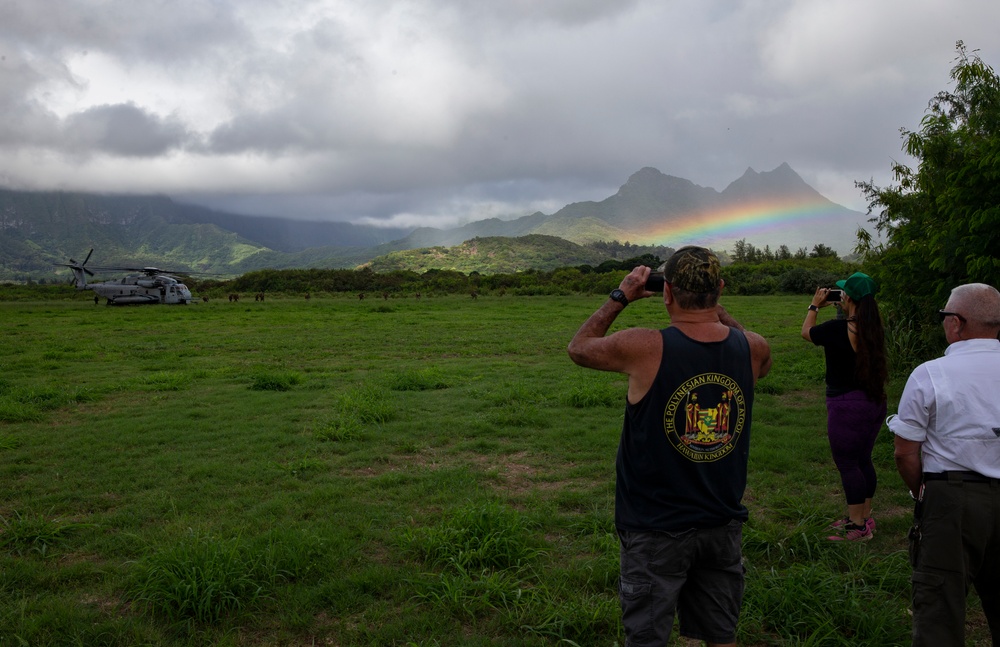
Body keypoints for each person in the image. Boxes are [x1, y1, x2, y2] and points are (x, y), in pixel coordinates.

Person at [567, 246, 771, 647]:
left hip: (655, 525)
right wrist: (717, 310)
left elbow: (579, 347)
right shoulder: (753, 347)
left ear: (667, 293)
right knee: (721, 635)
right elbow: (748, 348)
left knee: (647, 639)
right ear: (720, 289)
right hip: (722, 521)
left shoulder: (645, 345)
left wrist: (621, 294)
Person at [887, 283, 1000, 646]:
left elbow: (905, 452)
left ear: (957, 323)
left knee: (940, 612)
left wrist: (923, 493)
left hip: (952, 501)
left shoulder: (930, 374)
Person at [800, 271, 887, 541]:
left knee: (848, 464)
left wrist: (815, 305)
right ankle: (865, 516)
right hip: (874, 401)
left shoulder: (836, 330)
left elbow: (806, 333)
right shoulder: (874, 328)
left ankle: (856, 527)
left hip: (845, 405)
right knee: (863, 459)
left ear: (846, 297)